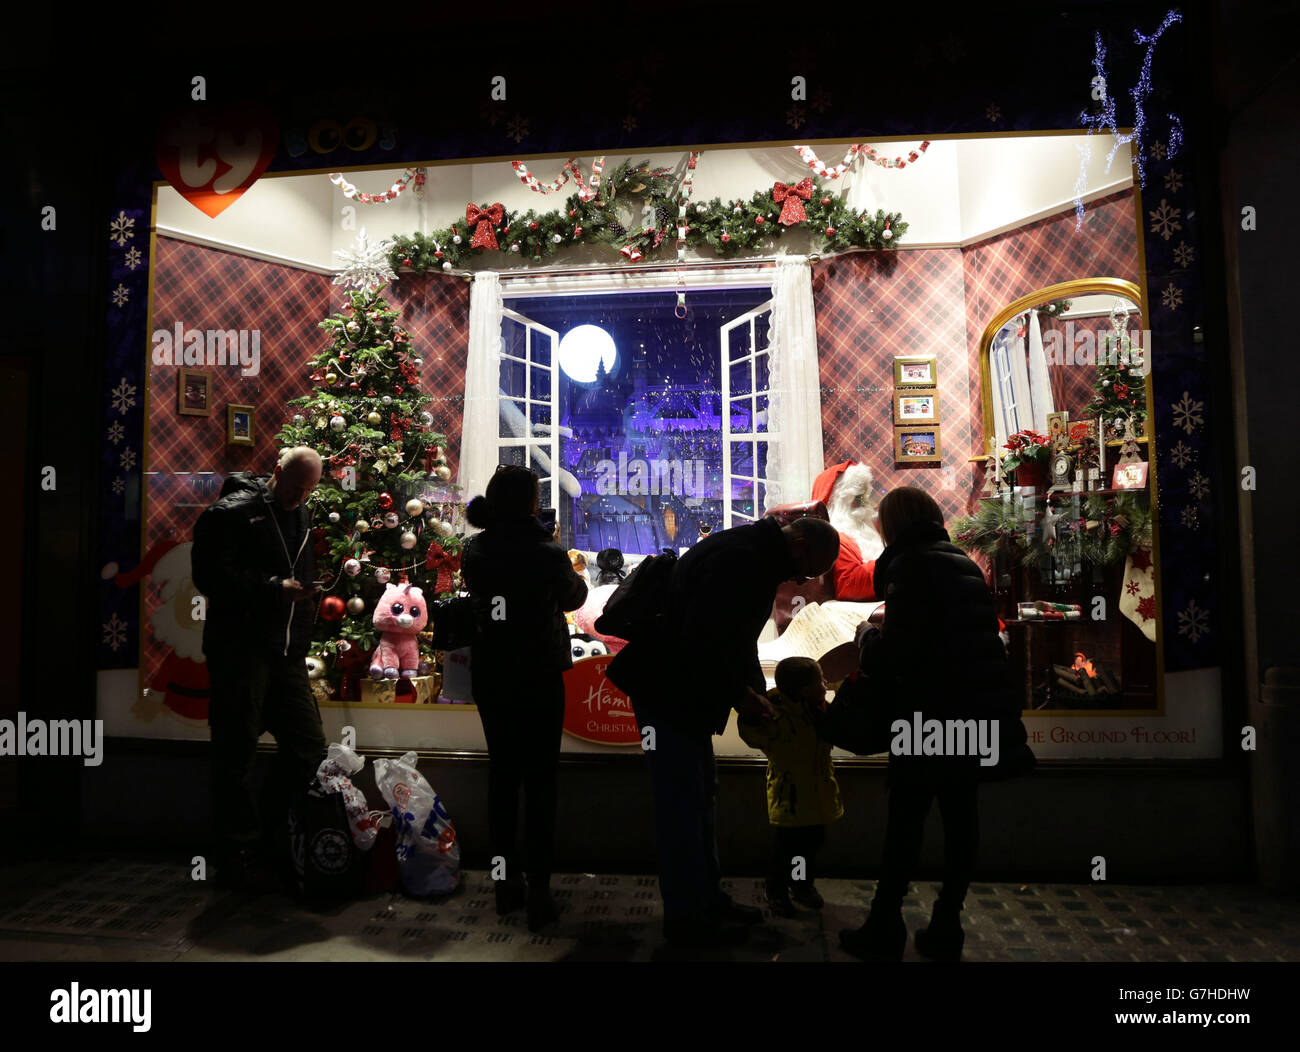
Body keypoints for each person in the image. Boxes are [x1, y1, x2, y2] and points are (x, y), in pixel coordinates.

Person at [607, 514, 840, 948]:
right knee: (682, 807)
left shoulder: (752, 553)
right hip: (668, 690)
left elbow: (733, 639)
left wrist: (753, 689)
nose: (800, 580)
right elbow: (701, 642)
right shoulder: (743, 560)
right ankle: (688, 919)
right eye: (805, 570)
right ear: (800, 541)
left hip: (680, 690)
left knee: (698, 798)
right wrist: (744, 696)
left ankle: (706, 901)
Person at [839, 486, 1025, 962]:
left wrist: (865, 638)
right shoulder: (960, 561)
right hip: (974, 710)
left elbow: (899, 653)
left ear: (893, 524)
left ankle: (885, 924)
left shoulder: (908, 566)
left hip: (928, 714)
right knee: (962, 818)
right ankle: (947, 923)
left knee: (905, 822)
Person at [190, 446, 327, 892]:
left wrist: (304, 602)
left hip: (284, 652)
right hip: (239, 651)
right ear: (276, 473)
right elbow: (209, 577)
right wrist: (273, 589)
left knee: (308, 746)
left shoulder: (302, 513)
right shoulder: (231, 513)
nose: (301, 496)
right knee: (235, 752)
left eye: (309, 488)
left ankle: (268, 836)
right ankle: (237, 854)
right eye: (295, 485)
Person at [461, 466, 588, 932]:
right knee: (540, 782)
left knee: (502, 777)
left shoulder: (476, 548)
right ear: (532, 503)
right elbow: (574, 597)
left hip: (493, 672)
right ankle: (538, 888)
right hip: (537, 673)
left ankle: (503, 883)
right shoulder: (546, 552)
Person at [737, 656, 843, 917]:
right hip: (791, 798)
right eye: (820, 679)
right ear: (805, 690)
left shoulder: (818, 710)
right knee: (787, 850)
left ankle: (801, 885)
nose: (825, 683)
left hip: (817, 795)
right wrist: (751, 713)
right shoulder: (776, 717)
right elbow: (753, 734)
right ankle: (777, 890)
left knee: (810, 846)